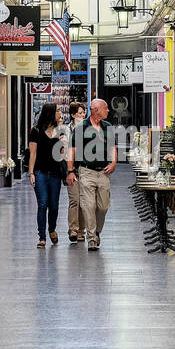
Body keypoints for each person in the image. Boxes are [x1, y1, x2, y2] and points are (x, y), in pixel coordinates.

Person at [66, 98, 117, 252]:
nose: (108, 110)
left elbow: (113, 147)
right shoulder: (81, 128)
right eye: (105, 108)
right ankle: (92, 237)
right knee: (88, 206)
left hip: (103, 172)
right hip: (86, 171)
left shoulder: (108, 127)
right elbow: (72, 150)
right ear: (96, 110)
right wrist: (70, 171)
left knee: (103, 207)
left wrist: (114, 162)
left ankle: (97, 231)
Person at [27, 101, 66, 248]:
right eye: (57, 111)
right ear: (50, 113)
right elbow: (33, 154)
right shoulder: (36, 131)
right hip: (40, 172)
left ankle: (52, 229)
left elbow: (62, 155)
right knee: (42, 204)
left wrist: (63, 144)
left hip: (55, 173)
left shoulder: (60, 131)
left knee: (54, 206)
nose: (60, 113)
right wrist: (31, 173)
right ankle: (42, 237)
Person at [64, 102, 86, 243]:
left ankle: (80, 231)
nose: (83, 115)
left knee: (84, 201)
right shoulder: (66, 130)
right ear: (73, 115)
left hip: (84, 168)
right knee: (74, 200)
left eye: (84, 113)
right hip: (71, 169)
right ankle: (73, 229)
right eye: (80, 113)